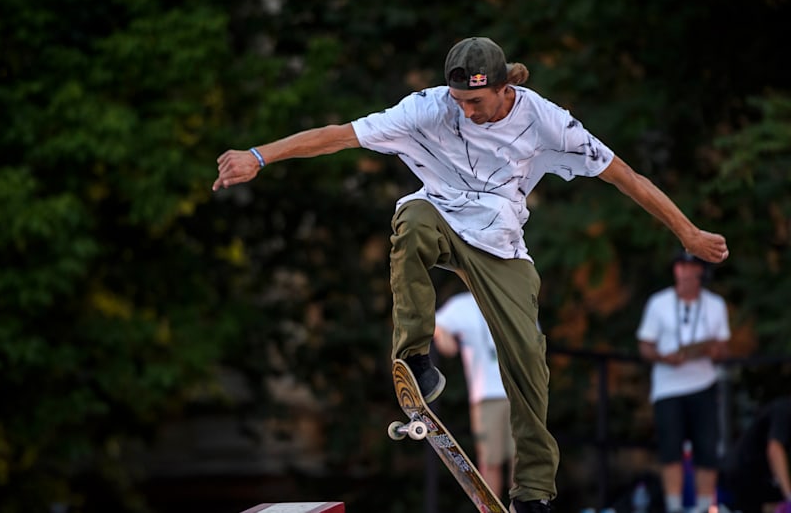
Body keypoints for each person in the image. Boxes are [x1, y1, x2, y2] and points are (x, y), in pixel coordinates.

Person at [212, 36, 730, 513]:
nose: (465, 112)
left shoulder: (548, 121)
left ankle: (533, 492)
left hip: (500, 242)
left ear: (507, 89)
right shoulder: (428, 107)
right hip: (440, 216)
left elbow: (627, 177)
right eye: (458, 101)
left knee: (528, 362)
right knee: (409, 220)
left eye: (476, 103)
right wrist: (260, 155)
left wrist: (687, 233)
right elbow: (339, 136)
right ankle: (416, 358)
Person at [636, 250, 731, 513]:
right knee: (670, 449)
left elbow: (724, 347)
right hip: (668, 387)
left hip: (704, 383)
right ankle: (674, 507)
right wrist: (663, 357)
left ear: (700, 273)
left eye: (690, 268)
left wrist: (712, 351)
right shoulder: (659, 303)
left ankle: (703, 506)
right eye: (680, 267)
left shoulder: (715, 304)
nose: (685, 274)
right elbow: (645, 345)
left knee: (707, 450)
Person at [434, 291, 515, 499]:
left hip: (519, 393)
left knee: (524, 462)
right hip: (486, 395)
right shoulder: (464, 304)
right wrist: (442, 336)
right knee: (490, 462)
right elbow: (434, 322)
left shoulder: (513, 298)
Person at [720, 396, 791, 513]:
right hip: (742, 476)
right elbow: (775, 449)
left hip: (754, 477)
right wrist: (789, 496)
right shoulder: (784, 410)